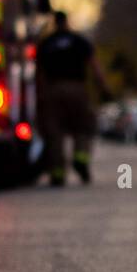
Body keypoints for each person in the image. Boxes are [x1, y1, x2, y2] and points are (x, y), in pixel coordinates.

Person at [36, 11, 107, 186]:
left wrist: (41, 95)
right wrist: (104, 88)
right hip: (77, 90)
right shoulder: (79, 41)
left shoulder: (46, 43)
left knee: (55, 134)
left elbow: (39, 73)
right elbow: (94, 66)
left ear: (54, 23)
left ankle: (58, 173)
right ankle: (81, 159)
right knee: (83, 128)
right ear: (67, 22)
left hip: (53, 91)